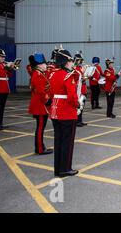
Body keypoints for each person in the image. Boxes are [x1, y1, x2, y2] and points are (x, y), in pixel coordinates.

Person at [48, 48, 80, 177]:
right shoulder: (68, 76)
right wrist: (78, 104)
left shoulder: (52, 74)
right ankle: (65, 168)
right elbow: (72, 97)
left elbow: (50, 93)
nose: (72, 63)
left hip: (55, 111)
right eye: (71, 60)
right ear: (66, 62)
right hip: (67, 111)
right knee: (67, 141)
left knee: (58, 140)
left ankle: (58, 168)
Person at [28, 53, 53, 155]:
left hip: (40, 104)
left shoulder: (40, 73)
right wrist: (47, 100)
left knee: (41, 127)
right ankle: (39, 149)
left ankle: (40, 146)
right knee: (40, 128)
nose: (46, 65)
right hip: (40, 105)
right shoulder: (37, 75)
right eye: (44, 64)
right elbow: (41, 92)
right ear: (39, 65)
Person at [74, 53, 88, 127]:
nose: (81, 62)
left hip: (83, 90)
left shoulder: (79, 69)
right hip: (79, 91)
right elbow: (78, 80)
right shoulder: (75, 69)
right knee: (79, 106)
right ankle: (77, 121)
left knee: (82, 107)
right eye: (80, 61)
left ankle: (80, 120)